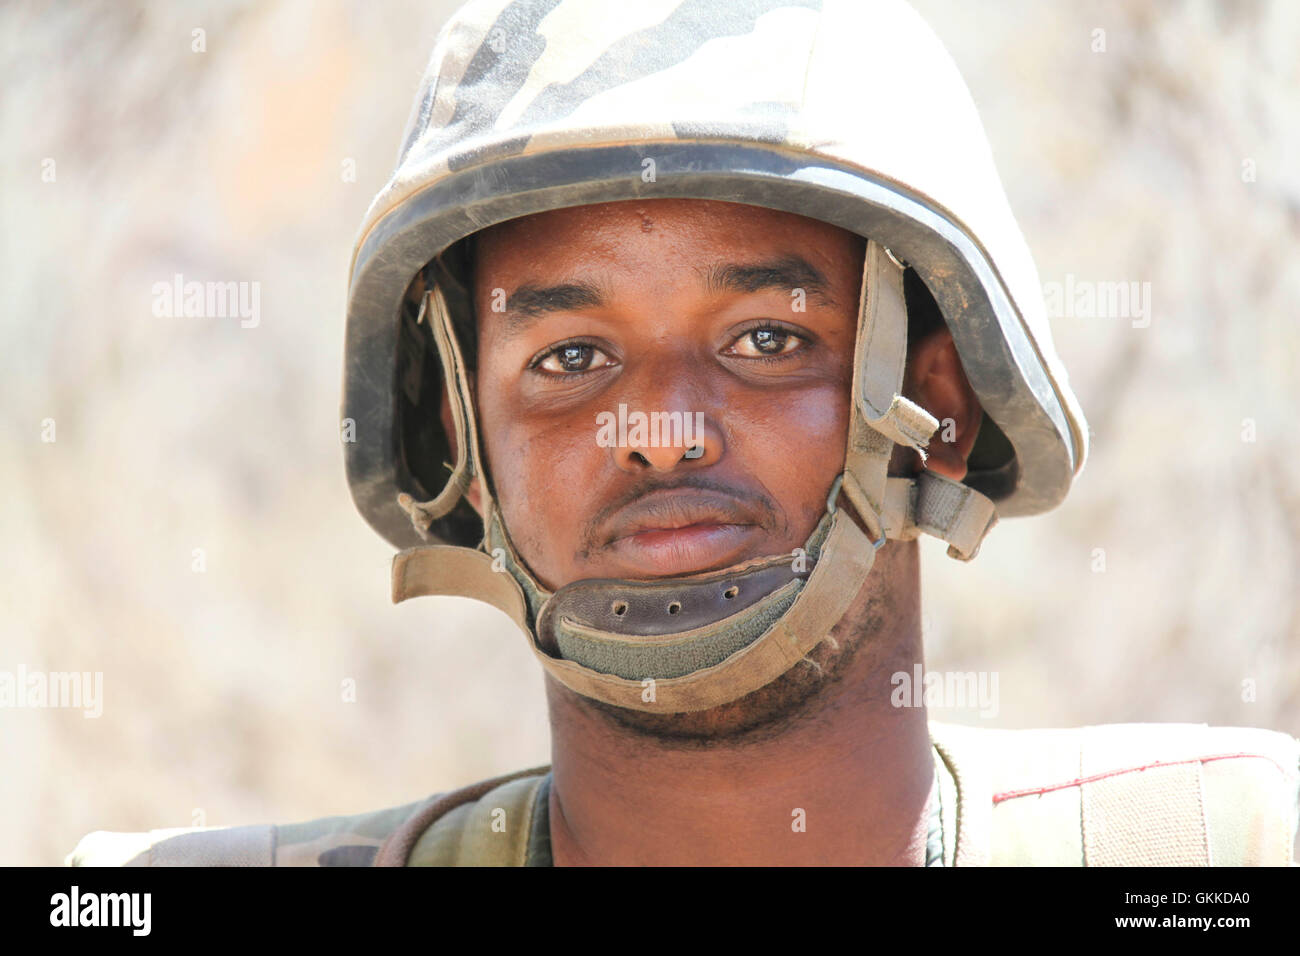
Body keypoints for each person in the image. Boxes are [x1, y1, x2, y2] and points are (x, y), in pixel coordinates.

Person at [68, 0, 1298, 867]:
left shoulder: (1227, 853)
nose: (658, 429)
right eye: (569, 358)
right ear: (463, 441)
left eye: (766, 337)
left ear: (940, 401)